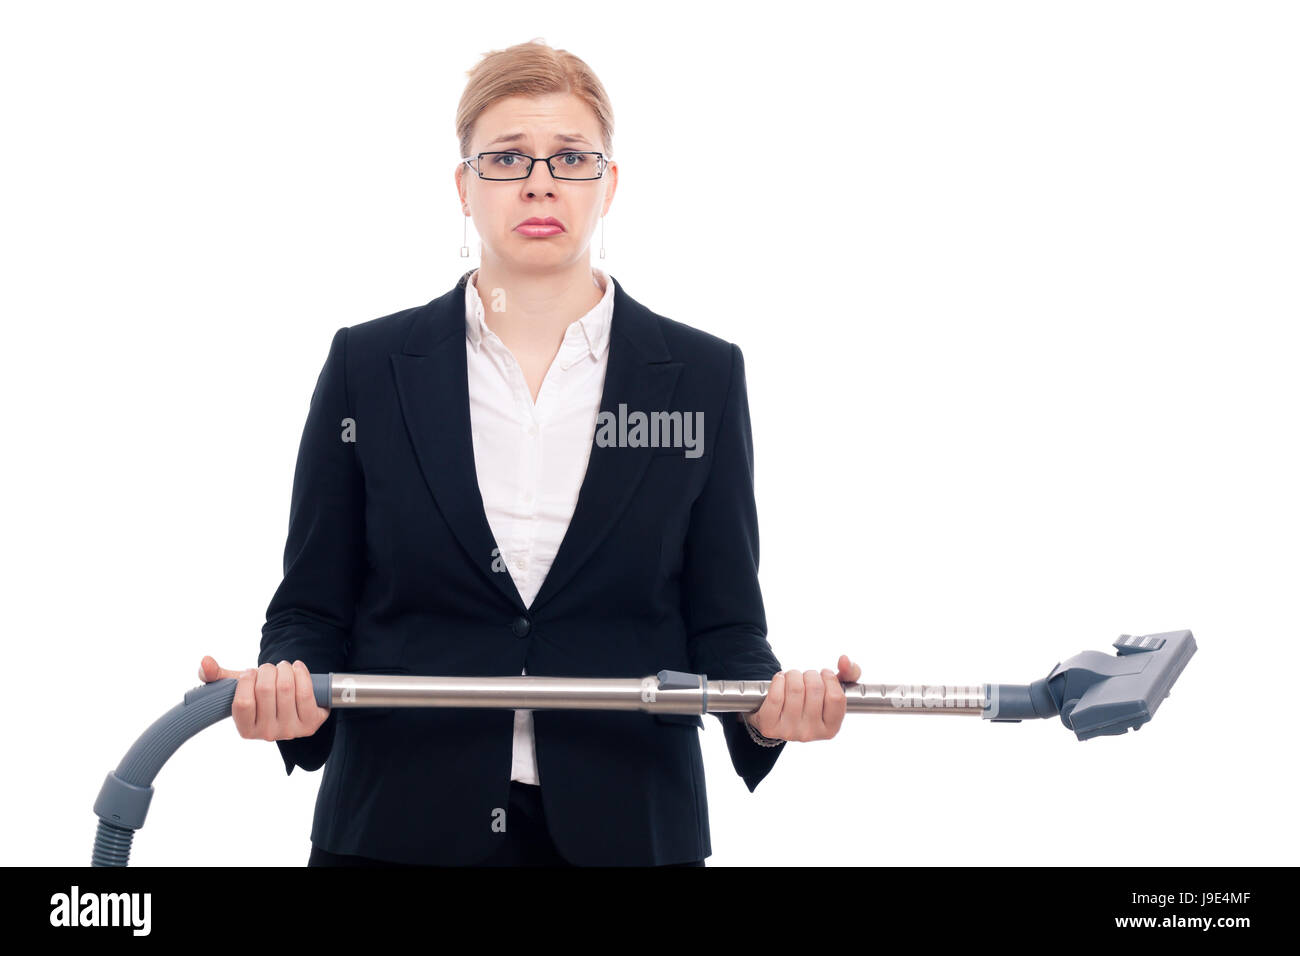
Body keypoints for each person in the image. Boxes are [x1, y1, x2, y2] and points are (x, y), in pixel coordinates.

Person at [199, 38, 860, 867]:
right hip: (396, 829)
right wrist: (286, 683)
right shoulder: (367, 367)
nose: (540, 181)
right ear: (463, 188)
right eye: (506, 158)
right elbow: (312, 606)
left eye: (571, 158)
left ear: (609, 184)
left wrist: (768, 706)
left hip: (631, 829)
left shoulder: (702, 376)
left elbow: (724, 623)